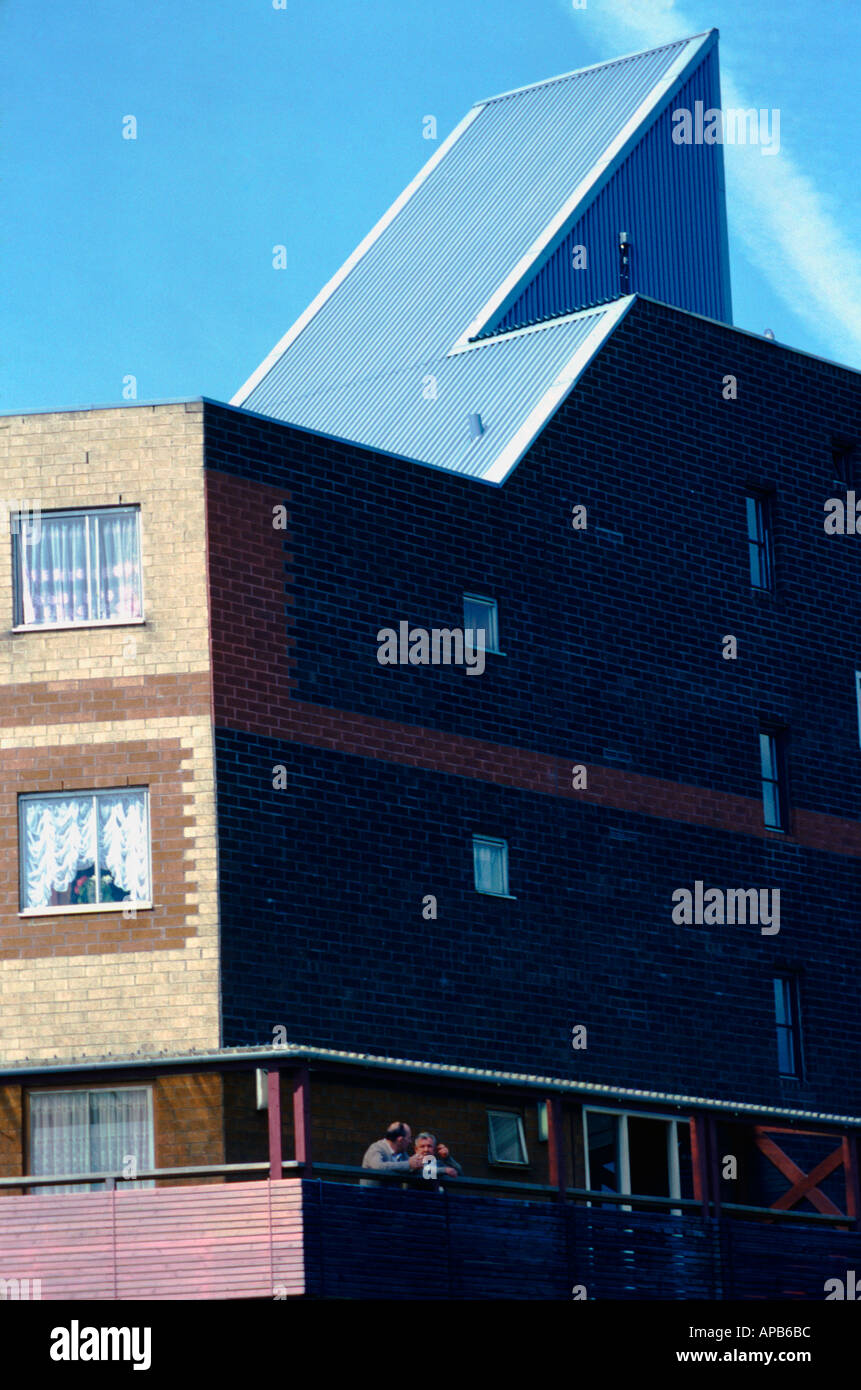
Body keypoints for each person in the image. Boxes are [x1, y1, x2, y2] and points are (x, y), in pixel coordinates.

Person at [360, 1122, 423, 1187]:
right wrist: (408, 1164)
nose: (410, 1141)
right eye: (409, 1138)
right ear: (400, 1140)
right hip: (370, 1195)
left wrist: (417, 1165)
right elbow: (378, 1167)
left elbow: (409, 1166)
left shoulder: (402, 1154)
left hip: (391, 1195)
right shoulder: (376, 1148)